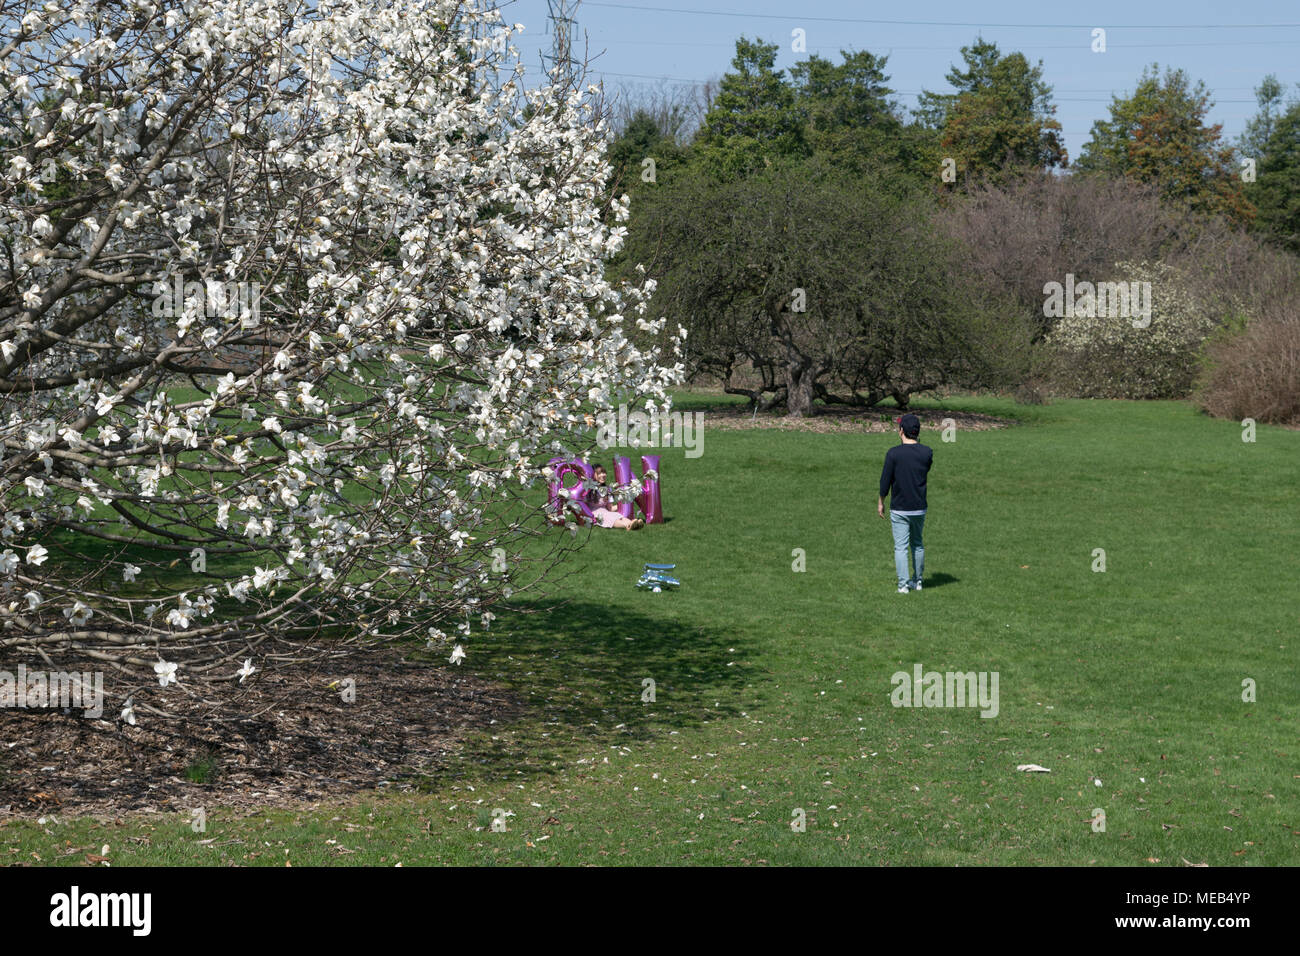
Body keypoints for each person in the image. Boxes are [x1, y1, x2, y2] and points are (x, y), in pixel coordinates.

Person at [877, 413, 932, 593]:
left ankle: (903, 585)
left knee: (900, 547)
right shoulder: (927, 452)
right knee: (917, 543)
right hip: (919, 507)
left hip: (899, 508)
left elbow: (885, 480)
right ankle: (918, 581)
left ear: (902, 431)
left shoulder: (893, 454)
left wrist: (881, 501)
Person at [587, 465, 645, 530]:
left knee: (618, 515)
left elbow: (610, 508)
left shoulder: (608, 489)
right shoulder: (588, 489)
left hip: (605, 511)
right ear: (593, 475)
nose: (603, 475)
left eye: (603, 472)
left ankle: (633, 524)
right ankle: (628, 525)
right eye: (599, 473)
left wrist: (623, 504)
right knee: (610, 518)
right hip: (594, 514)